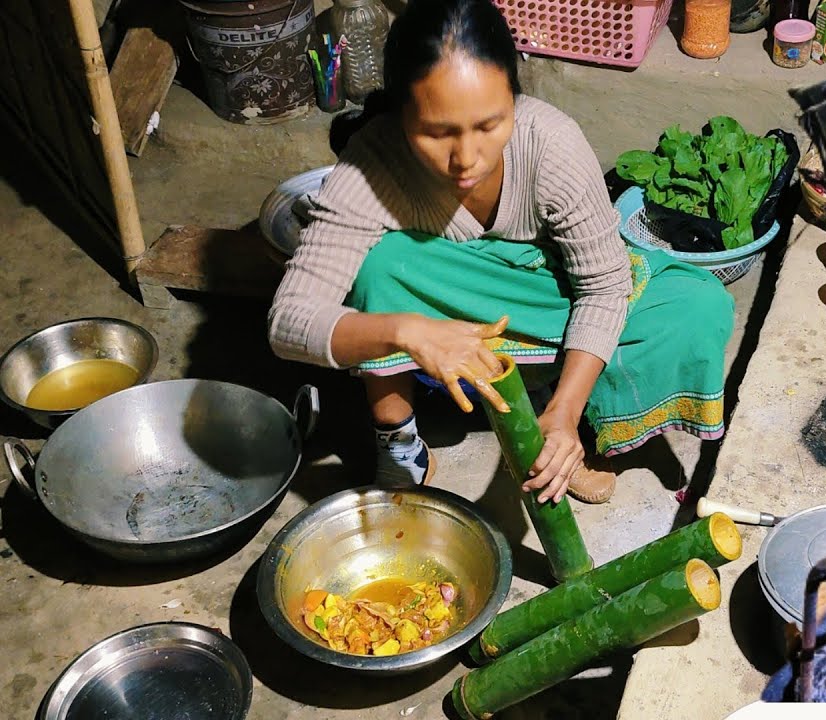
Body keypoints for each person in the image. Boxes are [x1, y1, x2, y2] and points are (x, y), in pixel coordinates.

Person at [268, 0, 734, 505]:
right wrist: (409, 331)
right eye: (436, 132)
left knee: (698, 303)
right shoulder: (373, 164)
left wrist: (566, 411)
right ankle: (399, 444)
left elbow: (602, 284)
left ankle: (563, 421)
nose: (466, 158)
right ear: (401, 113)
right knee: (380, 263)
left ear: (515, 100)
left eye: (489, 125)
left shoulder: (549, 142)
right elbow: (289, 322)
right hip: (453, 307)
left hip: (545, 296)